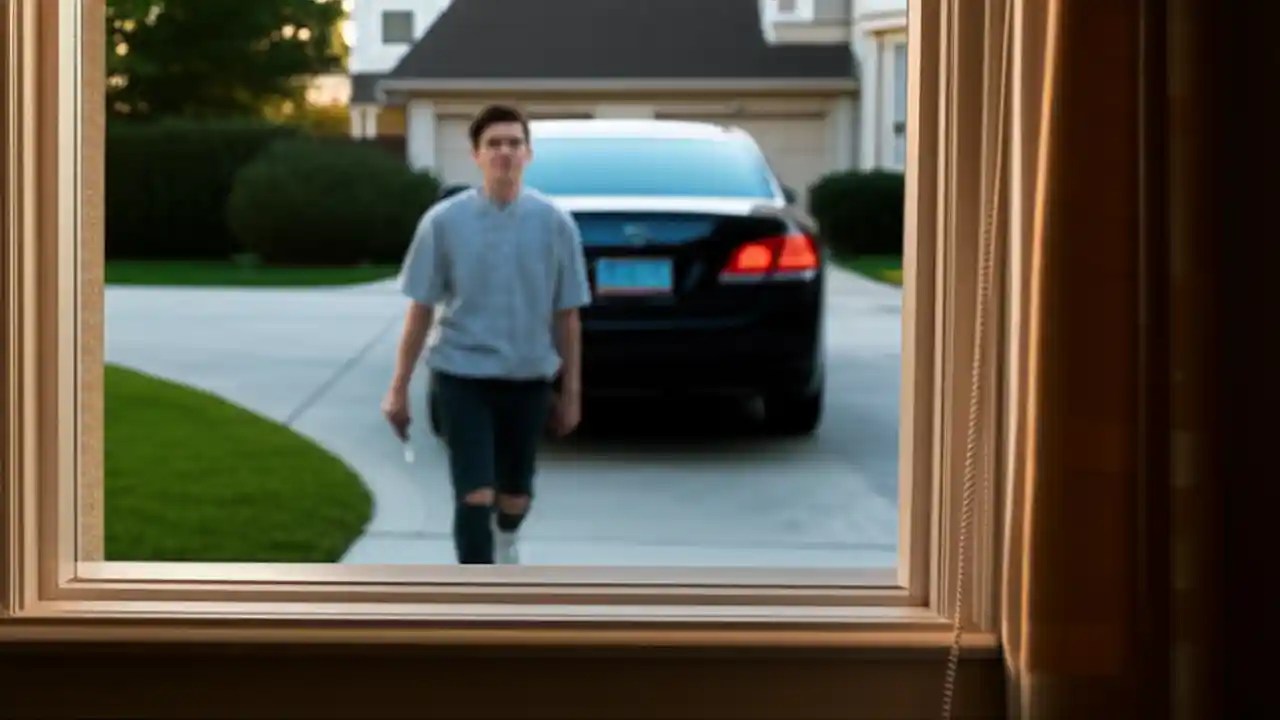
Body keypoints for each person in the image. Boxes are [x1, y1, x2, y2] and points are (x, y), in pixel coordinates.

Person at [381, 104, 592, 565]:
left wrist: (571, 394)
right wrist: (397, 389)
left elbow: (568, 316)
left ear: (528, 154)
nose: (504, 152)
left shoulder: (556, 224)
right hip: (462, 374)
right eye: (493, 144)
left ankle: (508, 536)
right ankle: (475, 598)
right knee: (474, 493)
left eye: (514, 143)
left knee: (514, 495)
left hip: (528, 377)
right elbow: (420, 309)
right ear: (476, 155)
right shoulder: (444, 223)